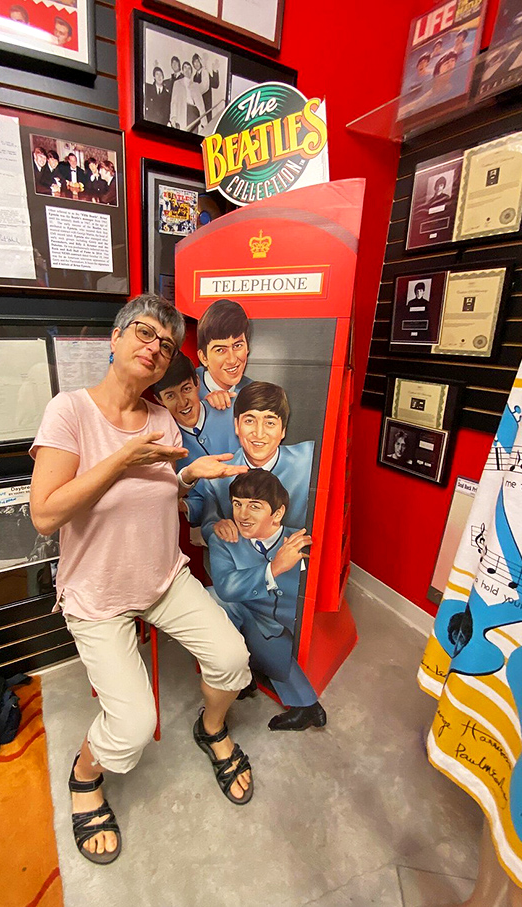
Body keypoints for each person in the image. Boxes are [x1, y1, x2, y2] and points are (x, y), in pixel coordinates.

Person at [30, 294, 255, 865]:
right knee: (131, 726)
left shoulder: (158, 417)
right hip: (98, 593)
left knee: (232, 659)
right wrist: (119, 461)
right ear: (116, 338)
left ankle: (211, 728)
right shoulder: (69, 412)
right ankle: (86, 772)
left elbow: (150, 493)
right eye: (145, 334)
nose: (155, 349)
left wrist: (185, 477)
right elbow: (46, 514)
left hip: (162, 578)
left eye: (166, 344)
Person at [209, 470, 326, 731]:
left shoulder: (301, 540)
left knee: (264, 630)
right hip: (256, 615)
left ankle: (305, 706)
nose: (242, 514)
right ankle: (242, 675)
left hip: (296, 621)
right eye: (237, 504)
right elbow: (226, 587)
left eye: (254, 506)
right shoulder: (225, 539)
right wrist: (273, 569)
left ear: (278, 513)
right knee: (213, 600)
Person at [186, 381, 315, 540]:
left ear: (283, 430)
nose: (259, 433)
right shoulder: (217, 477)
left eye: (269, 423)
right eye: (249, 421)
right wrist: (216, 527)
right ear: (237, 426)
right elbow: (208, 524)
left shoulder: (309, 458)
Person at [153, 353, 239, 473]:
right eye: (170, 396)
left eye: (186, 389)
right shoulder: (167, 444)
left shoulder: (232, 409)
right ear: (160, 400)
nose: (183, 403)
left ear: (197, 383)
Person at [196, 299, 252, 410]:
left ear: (247, 348)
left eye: (237, 346)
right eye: (220, 350)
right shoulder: (185, 387)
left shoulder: (254, 393)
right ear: (203, 357)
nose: (232, 360)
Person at [169, 61, 206, 132]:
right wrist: (173, 116)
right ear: (182, 71)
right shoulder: (177, 83)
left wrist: (204, 122)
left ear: (191, 72)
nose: (187, 70)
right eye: (185, 68)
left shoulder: (195, 85)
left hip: (194, 113)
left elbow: (201, 105)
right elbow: (174, 101)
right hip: (182, 112)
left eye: (189, 68)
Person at [191, 53, 221, 130]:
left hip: (207, 104)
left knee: (208, 126)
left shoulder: (205, 72)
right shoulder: (194, 77)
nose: (196, 64)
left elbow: (215, 84)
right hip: (199, 105)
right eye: (195, 62)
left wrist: (215, 70)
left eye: (198, 61)